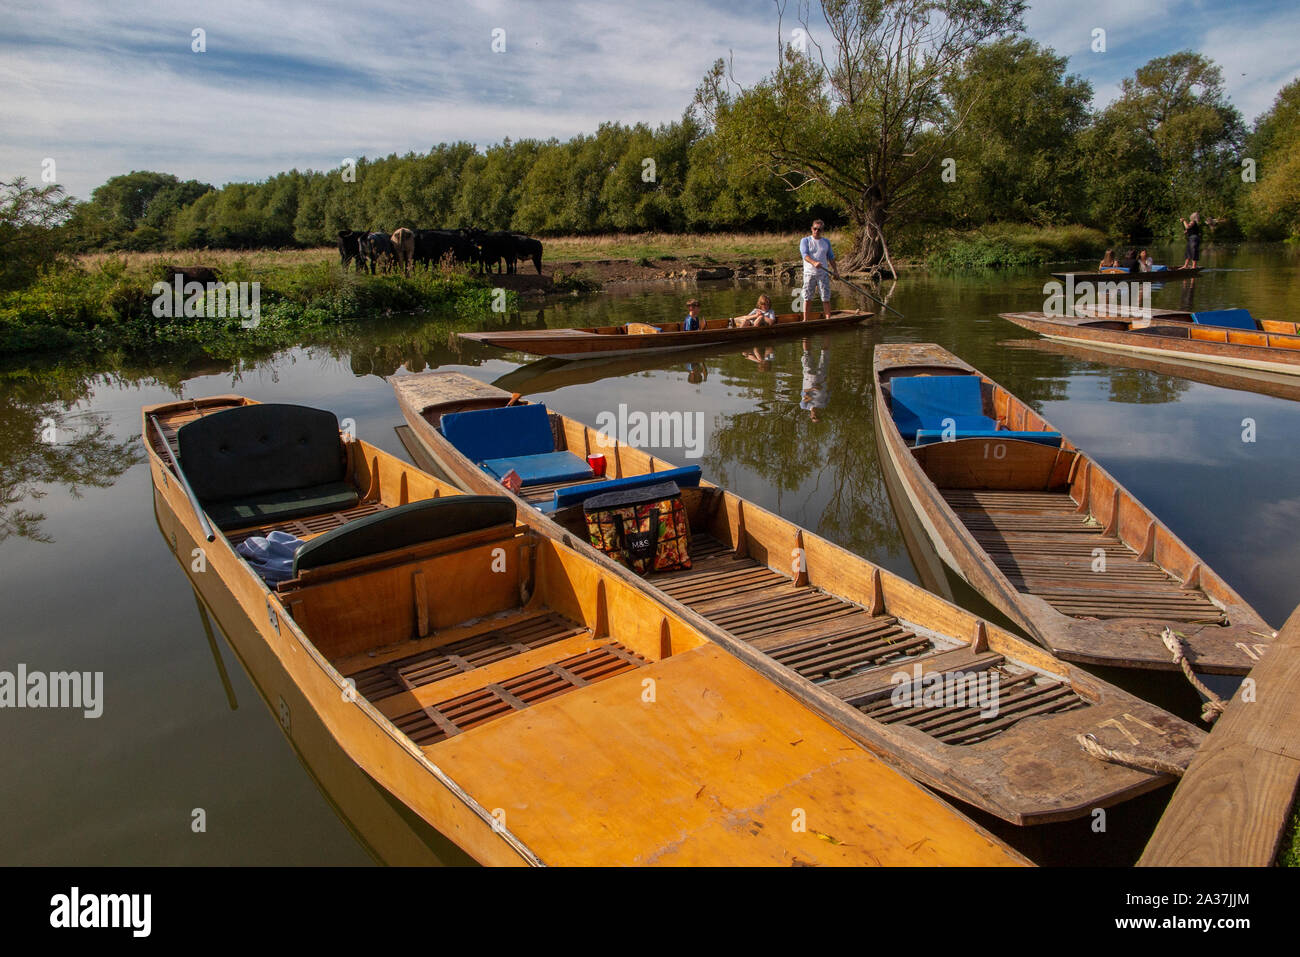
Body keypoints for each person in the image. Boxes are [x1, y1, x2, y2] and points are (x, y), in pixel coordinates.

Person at [799, 220, 839, 322]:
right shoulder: (805, 241)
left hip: (823, 274)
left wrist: (835, 271)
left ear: (822, 230)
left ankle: (828, 319)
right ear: (812, 228)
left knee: (826, 298)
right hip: (809, 274)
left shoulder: (826, 242)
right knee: (807, 297)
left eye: (819, 229)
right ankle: (805, 320)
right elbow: (805, 255)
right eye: (815, 228)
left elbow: (831, 257)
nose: (817, 231)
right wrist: (814, 262)